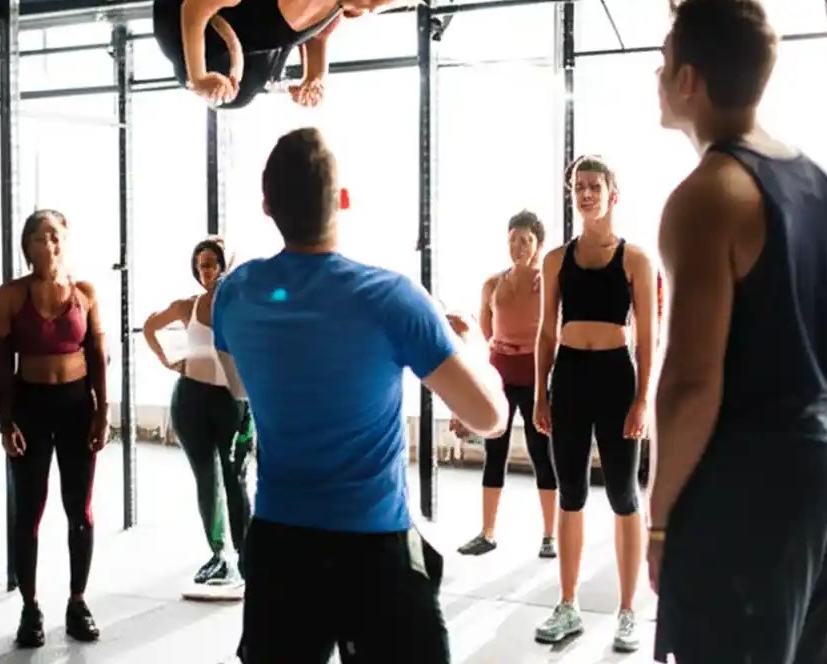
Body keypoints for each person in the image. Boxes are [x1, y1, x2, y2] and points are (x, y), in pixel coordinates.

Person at [214, 127, 506, 663]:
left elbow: (238, 388)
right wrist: (472, 344)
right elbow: (489, 417)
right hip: (373, 551)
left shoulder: (233, 293)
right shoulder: (391, 298)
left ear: (267, 205)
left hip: (280, 547)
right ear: (342, 200)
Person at [648, 0, 827, 664]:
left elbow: (690, 383)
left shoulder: (707, 196)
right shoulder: (824, 184)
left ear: (689, 80)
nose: (657, 76)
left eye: (664, 63)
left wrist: (659, 522)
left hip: (756, 480)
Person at [531, 155, 657, 654]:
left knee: (624, 494)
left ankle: (628, 611)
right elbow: (546, 333)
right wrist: (540, 393)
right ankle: (568, 605)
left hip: (616, 380)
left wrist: (642, 400)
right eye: (578, 187)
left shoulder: (636, 260)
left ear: (612, 194)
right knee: (571, 493)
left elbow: (648, 338)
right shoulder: (555, 260)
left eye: (594, 186)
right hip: (569, 378)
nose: (585, 193)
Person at [0, 209, 110, 649]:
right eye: (39, 238)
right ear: (26, 246)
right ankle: (30, 607)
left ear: (66, 241)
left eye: (55, 237)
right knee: (29, 511)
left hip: (76, 408)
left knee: (79, 508)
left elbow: (98, 356)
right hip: (30, 409)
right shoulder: (10, 295)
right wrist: (6, 422)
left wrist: (102, 413)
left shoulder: (85, 292)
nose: (49, 246)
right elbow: (2, 364)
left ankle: (78, 601)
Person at [152, 0, 426, 109]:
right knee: (236, 88)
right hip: (179, 21)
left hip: (240, 48)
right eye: (373, 2)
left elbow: (318, 34)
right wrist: (198, 78)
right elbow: (194, 9)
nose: (369, 12)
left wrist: (315, 76)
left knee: (244, 93)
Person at [142, 236, 255, 588]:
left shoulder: (241, 306)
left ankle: (247, 555)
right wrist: (168, 361)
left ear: (225, 266)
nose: (208, 271)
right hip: (191, 399)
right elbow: (150, 326)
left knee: (235, 477)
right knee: (206, 479)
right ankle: (218, 553)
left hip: (232, 401)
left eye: (214, 263)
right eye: (202, 265)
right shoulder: (187, 306)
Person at [455, 210, 558, 560]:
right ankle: (487, 533)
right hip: (500, 374)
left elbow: (554, 332)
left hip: (534, 374)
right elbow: (484, 334)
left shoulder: (548, 283)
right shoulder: (492, 284)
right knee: (494, 451)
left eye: (526, 240)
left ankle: (549, 535)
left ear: (538, 245)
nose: (519, 246)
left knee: (540, 452)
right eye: (513, 239)